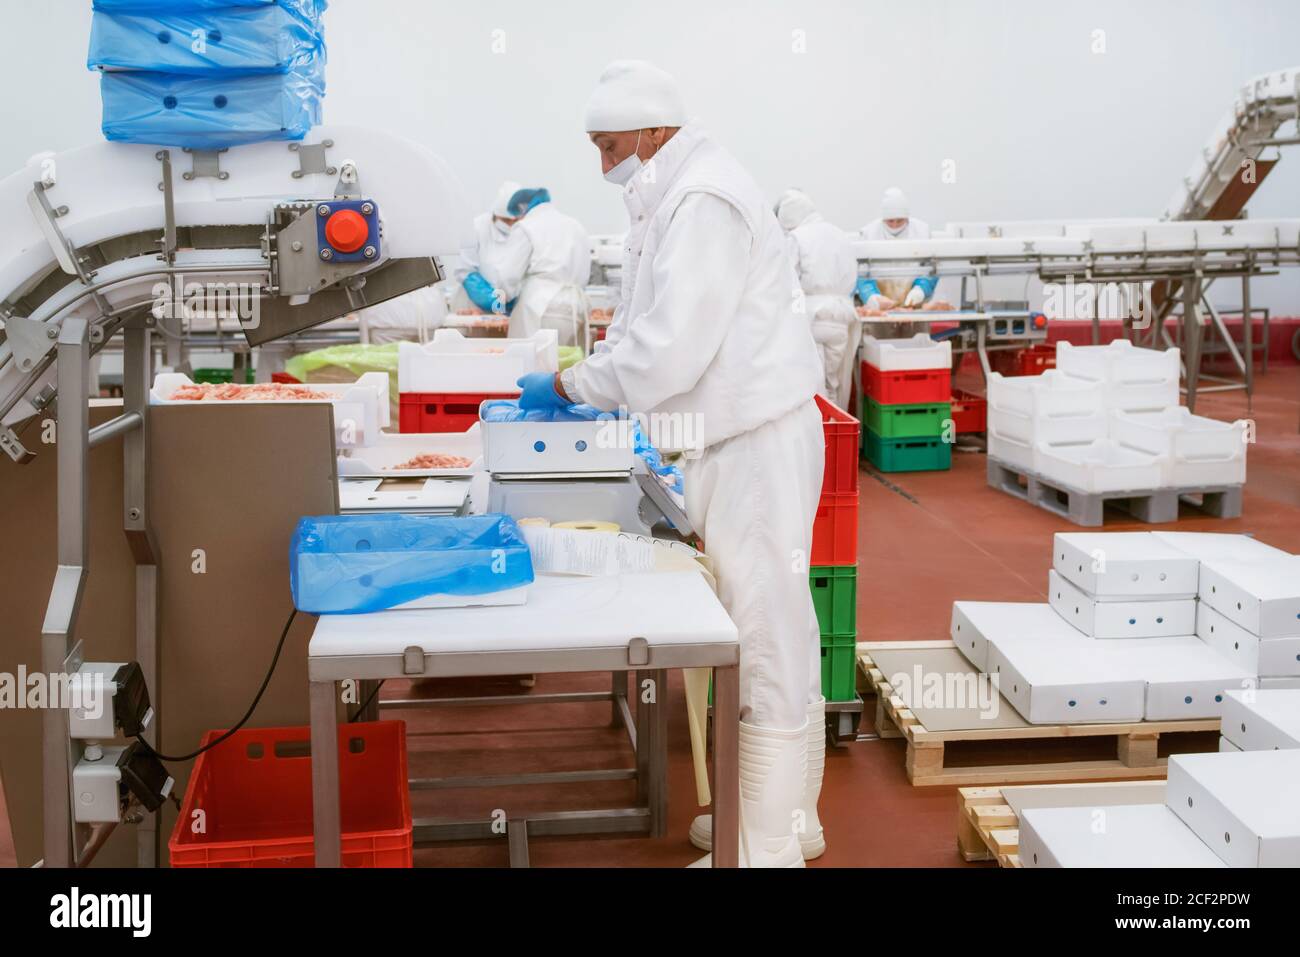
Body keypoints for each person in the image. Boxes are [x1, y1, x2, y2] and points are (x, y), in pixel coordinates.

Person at [515, 61, 828, 867]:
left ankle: (762, 851)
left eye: (609, 144)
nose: (602, 161)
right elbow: (643, 328)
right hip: (732, 435)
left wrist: (569, 385)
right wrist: (598, 377)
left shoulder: (703, 200)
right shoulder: (671, 195)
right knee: (777, 623)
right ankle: (787, 821)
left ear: (653, 131)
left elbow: (666, 351)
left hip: (754, 441)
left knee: (764, 634)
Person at [776, 188, 860, 410]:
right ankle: (838, 433)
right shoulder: (840, 235)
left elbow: (787, 280)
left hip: (811, 317)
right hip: (842, 317)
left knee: (812, 385)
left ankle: (822, 439)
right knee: (835, 383)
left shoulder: (797, 238)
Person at [490, 187, 592, 346]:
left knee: (532, 364)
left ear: (521, 209)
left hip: (539, 307)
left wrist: (503, 301)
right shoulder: (575, 226)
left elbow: (507, 276)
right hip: (575, 306)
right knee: (567, 364)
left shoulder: (526, 226)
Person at [452, 180, 521, 315]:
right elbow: (465, 271)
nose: (510, 225)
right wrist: (493, 301)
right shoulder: (476, 228)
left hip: (509, 311)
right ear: (496, 214)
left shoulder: (523, 234)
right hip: (473, 307)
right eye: (506, 220)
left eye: (515, 221)